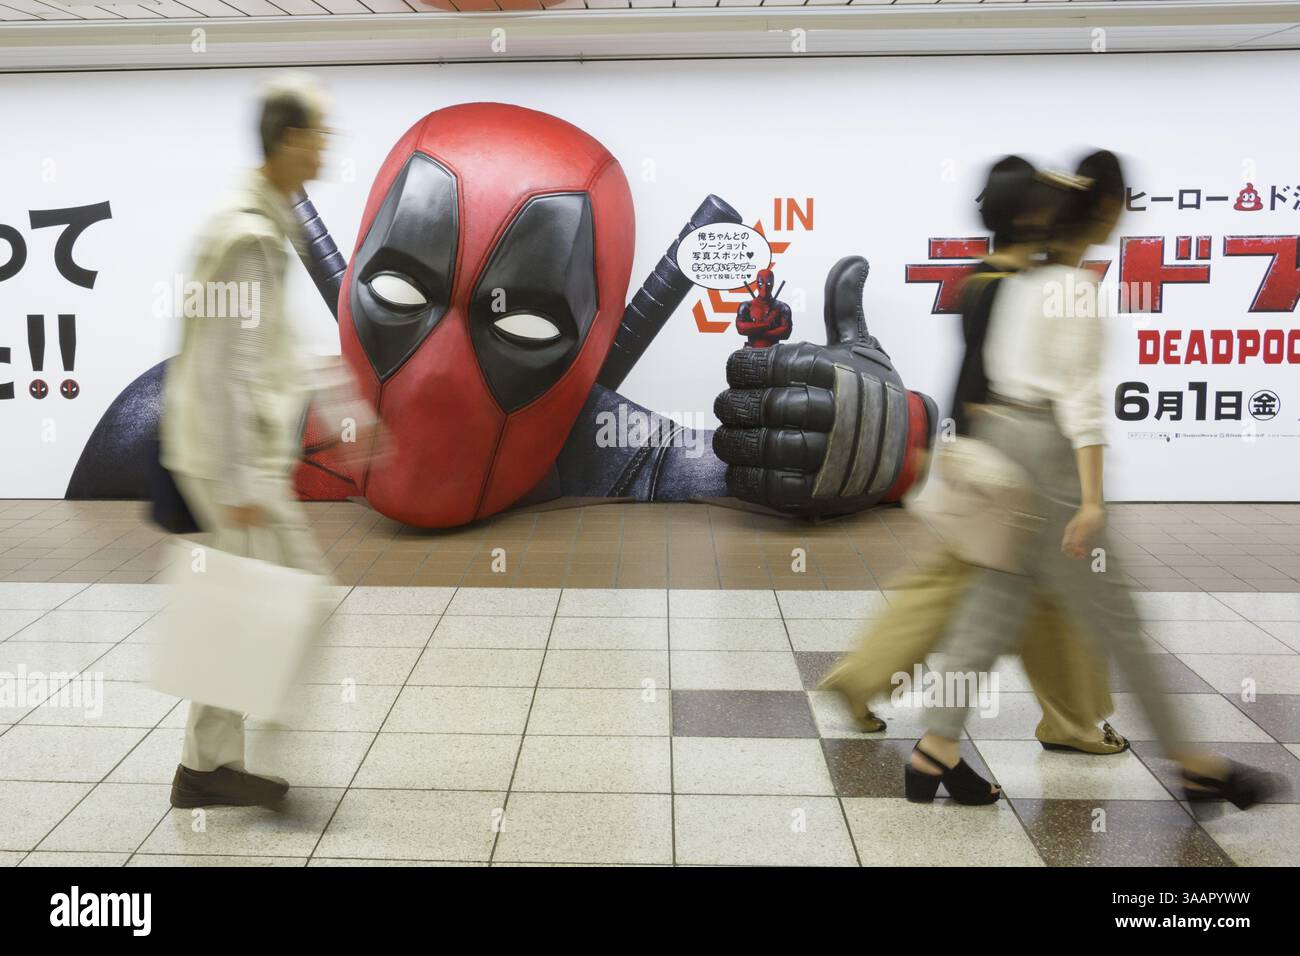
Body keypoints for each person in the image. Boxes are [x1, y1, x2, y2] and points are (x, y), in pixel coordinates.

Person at [906, 151, 1276, 808]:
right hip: (1049, 460)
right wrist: (1092, 499)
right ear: (1104, 210)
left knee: (992, 612)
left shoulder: (1018, 282)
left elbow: (994, 380)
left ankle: (936, 747)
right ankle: (1192, 763)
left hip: (1003, 444)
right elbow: (1078, 400)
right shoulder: (1075, 287)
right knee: (1118, 621)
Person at [821, 156, 1127, 756]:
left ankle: (864, 681)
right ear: (1037, 216)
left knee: (979, 587)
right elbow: (1017, 387)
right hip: (1016, 470)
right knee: (1015, 592)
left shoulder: (985, 279)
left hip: (985, 462)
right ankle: (1063, 721)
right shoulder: (1021, 287)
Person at [161, 73, 378, 809]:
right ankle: (229, 747)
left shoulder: (258, 222)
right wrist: (242, 484)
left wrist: (347, 407)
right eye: (318, 135)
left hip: (231, 459)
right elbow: (227, 368)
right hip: (233, 464)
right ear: (289, 141)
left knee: (240, 606)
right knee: (300, 601)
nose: (325, 148)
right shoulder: (250, 236)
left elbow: (275, 348)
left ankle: (208, 766)